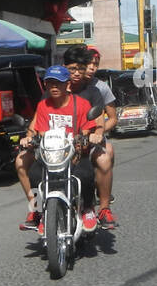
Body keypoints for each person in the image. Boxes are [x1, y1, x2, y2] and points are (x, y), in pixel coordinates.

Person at [15, 65, 103, 233]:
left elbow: (86, 130)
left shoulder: (82, 104)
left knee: (85, 174)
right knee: (34, 174)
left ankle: (88, 209)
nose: (54, 87)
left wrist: (89, 137)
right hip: (50, 155)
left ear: (67, 85)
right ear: (46, 85)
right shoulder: (43, 106)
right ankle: (39, 212)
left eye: (58, 83)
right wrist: (29, 139)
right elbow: (41, 132)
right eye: (50, 83)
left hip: (74, 153)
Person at [68, 45, 118, 228]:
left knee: (107, 153)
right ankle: (38, 210)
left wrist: (98, 132)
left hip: (92, 136)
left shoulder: (100, 89)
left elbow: (111, 119)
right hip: (65, 140)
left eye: (95, 64)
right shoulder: (62, 86)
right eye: (88, 63)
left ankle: (104, 206)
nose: (91, 68)